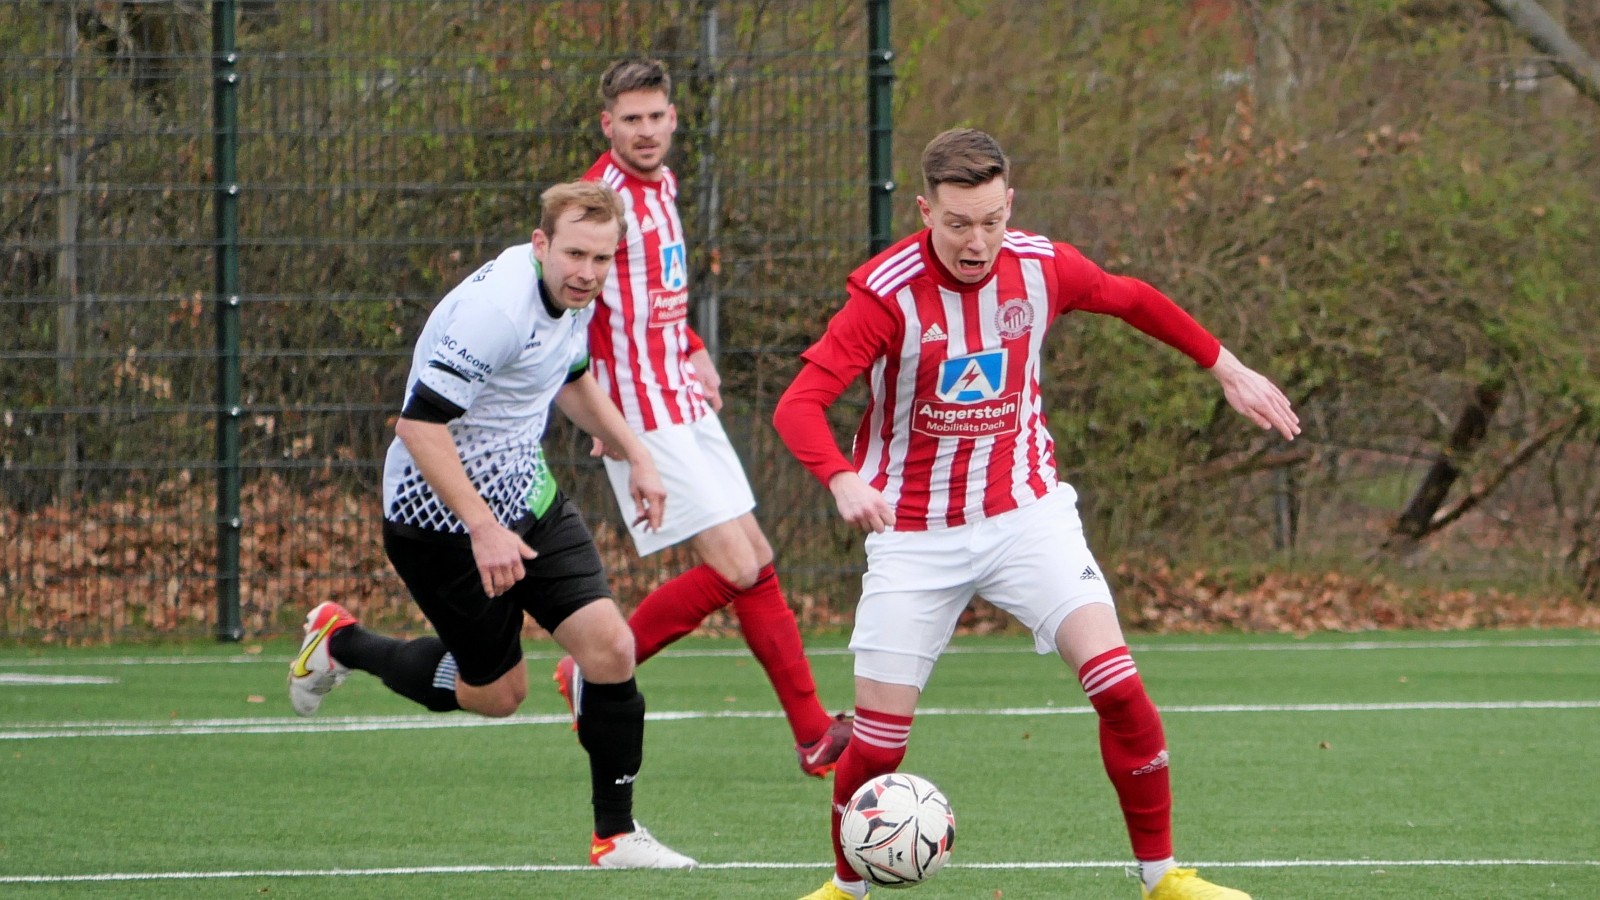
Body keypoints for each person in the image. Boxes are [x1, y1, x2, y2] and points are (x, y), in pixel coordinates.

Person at [772, 128, 1300, 900]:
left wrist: (1226, 366)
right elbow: (799, 405)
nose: (976, 241)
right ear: (926, 210)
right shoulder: (887, 295)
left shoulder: (1041, 267)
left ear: (1009, 204)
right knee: (880, 746)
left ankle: (1163, 879)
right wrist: (842, 477)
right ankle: (844, 889)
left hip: (1026, 514)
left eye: (990, 220)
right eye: (957, 223)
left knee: (1120, 688)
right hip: (914, 534)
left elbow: (1131, 297)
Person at [287, 180, 695, 870]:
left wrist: (638, 455)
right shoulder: (496, 311)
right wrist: (481, 527)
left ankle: (616, 836)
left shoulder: (572, 295)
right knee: (499, 694)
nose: (587, 272)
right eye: (574, 255)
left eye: (601, 259)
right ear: (540, 244)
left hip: (526, 496)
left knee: (611, 649)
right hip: (435, 520)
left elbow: (570, 378)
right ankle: (343, 644)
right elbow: (418, 426)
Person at [551, 56, 852, 778]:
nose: (646, 131)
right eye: (631, 120)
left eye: (656, 116)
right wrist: (593, 411)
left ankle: (813, 733)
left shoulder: (666, 185)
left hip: (681, 398)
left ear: (673, 118)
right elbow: (569, 307)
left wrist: (691, 346)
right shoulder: (599, 203)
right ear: (608, 125)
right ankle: (592, 669)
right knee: (738, 563)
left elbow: (658, 292)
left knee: (757, 559)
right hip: (638, 411)